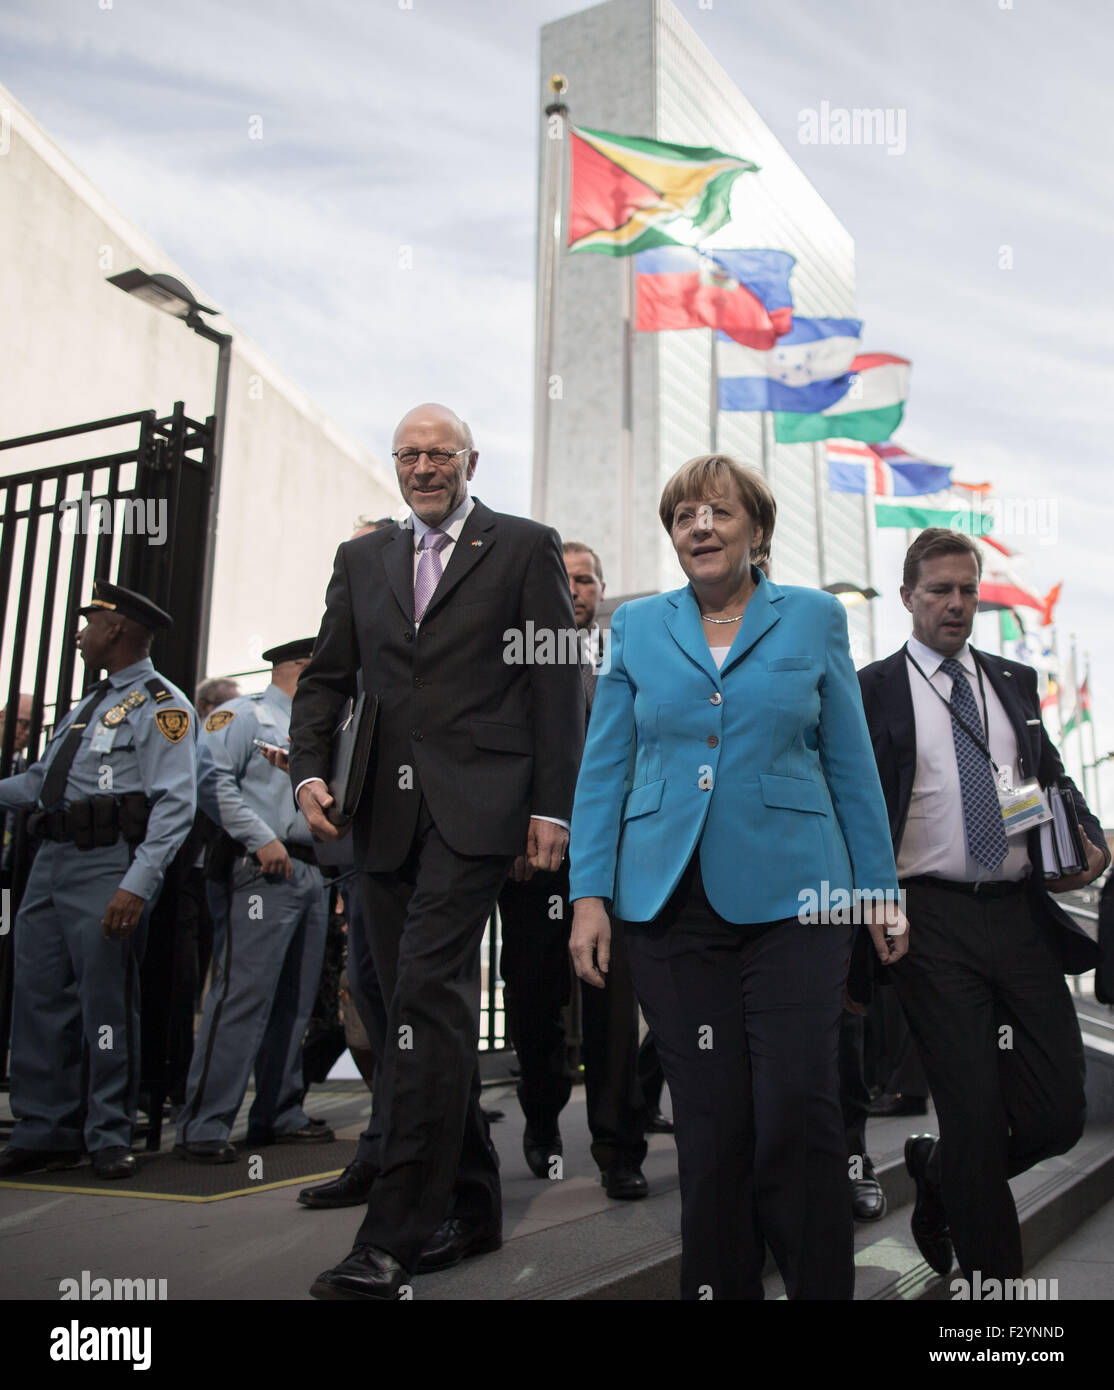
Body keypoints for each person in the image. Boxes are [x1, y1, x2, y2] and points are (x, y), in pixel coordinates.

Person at [568, 454, 907, 1301]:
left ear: (757, 529)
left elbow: (851, 764)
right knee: (713, 1128)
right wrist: (588, 895)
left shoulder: (815, 618)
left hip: (801, 900)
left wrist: (879, 887)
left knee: (798, 1108)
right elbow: (604, 767)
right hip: (669, 907)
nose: (700, 528)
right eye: (684, 516)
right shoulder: (640, 627)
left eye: (718, 513)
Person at [290, 402, 583, 1300]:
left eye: (439, 454)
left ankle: (393, 1238)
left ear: (470, 460)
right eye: (408, 454)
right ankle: (475, 1203)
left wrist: (552, 808)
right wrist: (306, 776)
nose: (423, 467)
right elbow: (329, 678)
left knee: (424, 994)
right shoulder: (361, 557)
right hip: (378, 815)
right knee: (410, 1010)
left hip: (478, 813)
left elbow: (553, 680)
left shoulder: (524, 545)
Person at [857, 527, 1109, 1286]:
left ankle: (937, 1177)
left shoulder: (1011, 681)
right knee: (971, 1113)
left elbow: (1050, 780)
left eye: (968, 590)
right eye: (939, 590)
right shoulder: (871, 691)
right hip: (929, 920)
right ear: (908, 598)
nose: (956, 604)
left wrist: (1086, 840)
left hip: (1020, 913)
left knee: (1056, 1113)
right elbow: (854, 807)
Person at [0, 581, 197, 1179]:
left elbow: (175, 805)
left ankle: (110, 1132)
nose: (80, 632)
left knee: (105, 1004)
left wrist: (137, 884)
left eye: (89, 622)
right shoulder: (87, 705)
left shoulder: (162, 705)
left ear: (116, 630)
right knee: (38, 998)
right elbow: (38, 785)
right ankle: (46, 1128)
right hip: (50, 862)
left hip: (105, 863)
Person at [498, 541, 648, 1197]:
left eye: (586, 579)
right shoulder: (512, 659)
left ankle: (620, 1147)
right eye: (563, 578)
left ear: (600, 590)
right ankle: (541, 1120)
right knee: (535, 1001)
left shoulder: (630, 658)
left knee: (614, 1009)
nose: (575, 589)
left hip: (613, 860)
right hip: (535, 864)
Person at [175, 639, 333, 1161]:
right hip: (259, 865)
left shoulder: (317, 728)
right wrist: (259, 836)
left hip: (310, 869)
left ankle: (278, 1112)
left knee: (295, 1002)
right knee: (241, 996)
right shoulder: (242, 713)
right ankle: (205, 1124)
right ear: (303, 665)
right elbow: (208, 779)